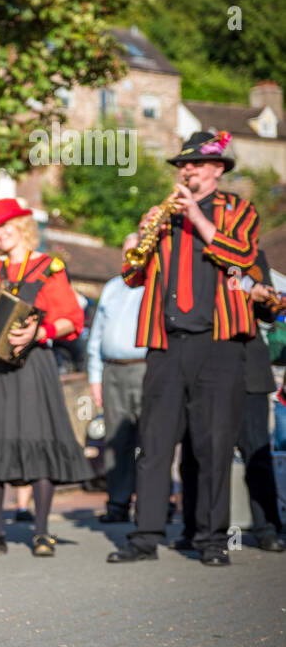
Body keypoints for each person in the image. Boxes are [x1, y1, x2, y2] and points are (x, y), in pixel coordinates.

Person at [108, 131, 259, 566]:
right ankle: (145, 536)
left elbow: (242, 257)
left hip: (219, 342)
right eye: (181, 165)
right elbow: (133, 277)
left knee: (212, 445)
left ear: (217, 169)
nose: (185, 170)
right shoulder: (160, 215)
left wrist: (196, 216)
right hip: (166, 342)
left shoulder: (238, 211)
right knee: (153, 444)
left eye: (193, 164)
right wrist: (141, 241)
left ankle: (211, 540)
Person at [0, 198, 91, 557]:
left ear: (22, 225)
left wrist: (39, 332)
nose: (0, 235)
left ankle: (42, 531)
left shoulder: (49, 267)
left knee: (38, 442)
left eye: (5, 226)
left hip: (35, 366)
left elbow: (72, 320)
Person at [176, 250, 283, 553]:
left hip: (247, 364)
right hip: (201, 363)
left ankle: (266, 527)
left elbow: (267, 314)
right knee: (196, 453)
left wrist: (263, 298)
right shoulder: (190, 251)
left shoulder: (252, 255)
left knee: (256, 450)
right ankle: (194, 527)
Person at [86, 232, 148, 524]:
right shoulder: (112, 287)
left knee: (151, 439)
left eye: (135, 250)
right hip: (113, 369)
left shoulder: (154, 286)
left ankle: (153, 503)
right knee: (116, 440)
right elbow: (96, 335)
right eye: (126, 251)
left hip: (145, 367)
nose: (129, 256)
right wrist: (95, 377)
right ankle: (118, 503)